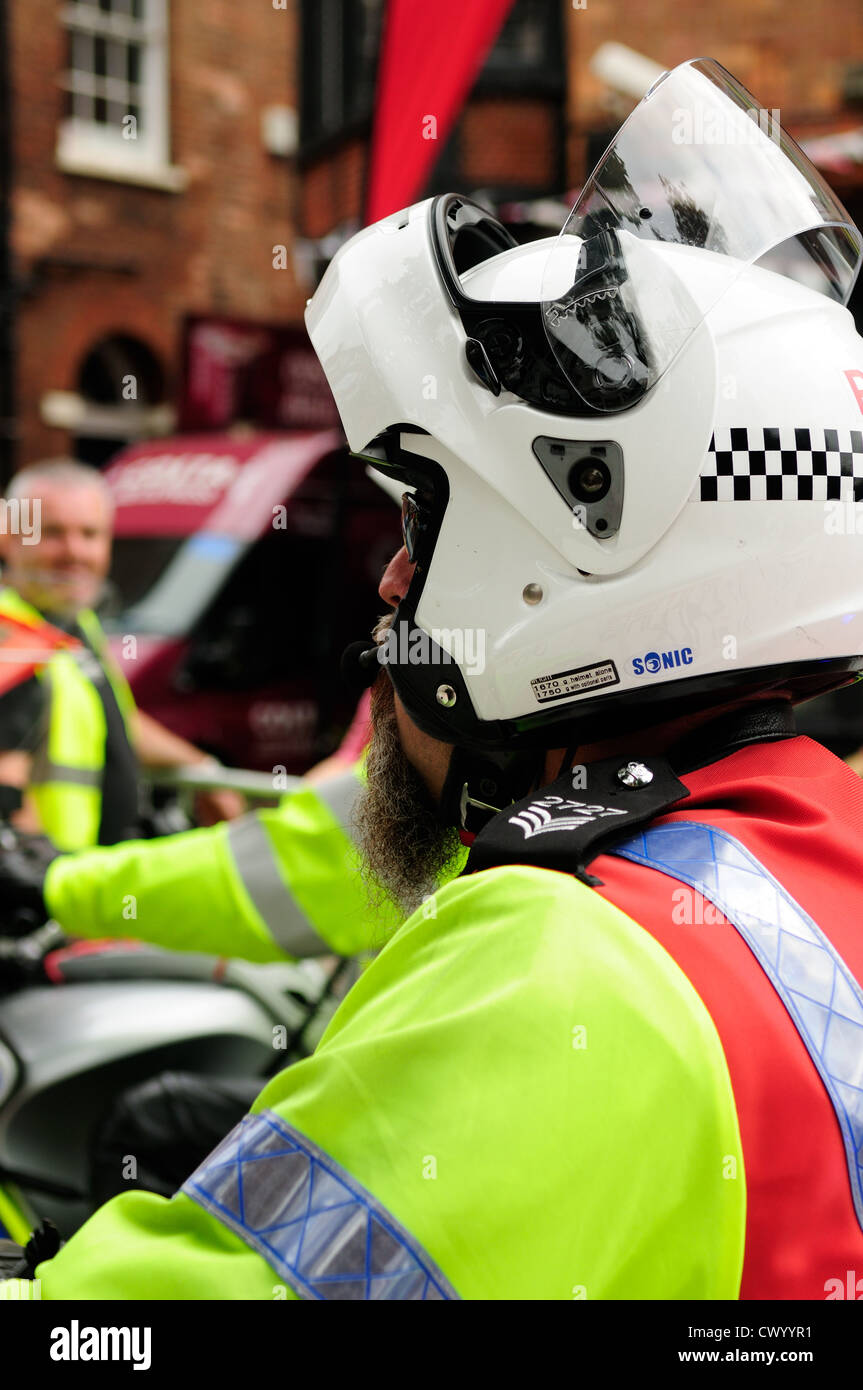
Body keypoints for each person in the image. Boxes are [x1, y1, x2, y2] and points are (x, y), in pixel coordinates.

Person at [5, 58, 863, 1299]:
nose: (394, 586)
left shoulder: (560, 962)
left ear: (588, 527)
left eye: (422, 520)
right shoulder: (815, 835)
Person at [0, 459, 243, 848]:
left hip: (88, 883)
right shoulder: (9, 638)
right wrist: (35, 883)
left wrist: (202, 768)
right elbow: (6, 795)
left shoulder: (74, 626)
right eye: (53, 533)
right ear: (9, 539)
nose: (75, 551)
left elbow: (113, 720)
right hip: (50, 894)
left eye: (90, 534)